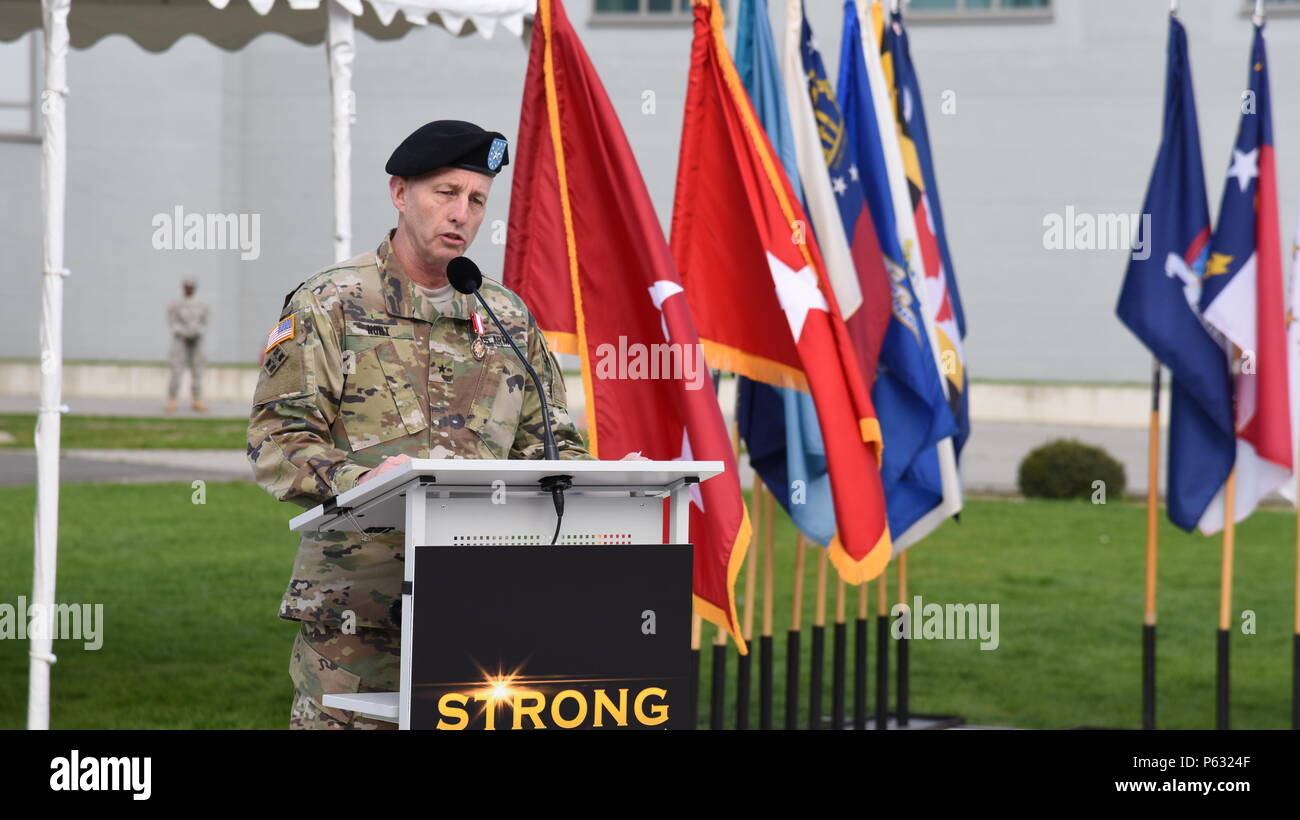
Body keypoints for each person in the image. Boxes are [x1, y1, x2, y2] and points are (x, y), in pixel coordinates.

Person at [246, 120, 593, 730]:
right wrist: (366, 478)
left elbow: (554, 446)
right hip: (361, 618)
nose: (461, 212)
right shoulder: (330, 303)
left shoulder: (505, 314)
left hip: (486, 610)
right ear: (400, 193)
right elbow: (278, 441)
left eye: (477, 199)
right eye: (445, 192)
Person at [165, 278, 209, 412]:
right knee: (176, 371)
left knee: (197, 371)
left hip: (196, 342)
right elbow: (172, 322)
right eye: (187, 287)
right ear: (184, 288)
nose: (189, 289)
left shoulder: (202, 304)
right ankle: (172, 399)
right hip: (180, 341)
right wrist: (183, 332)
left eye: (191, 287)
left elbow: (205, 322)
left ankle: (197, 400)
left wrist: (196, 332)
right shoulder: (176, 304)